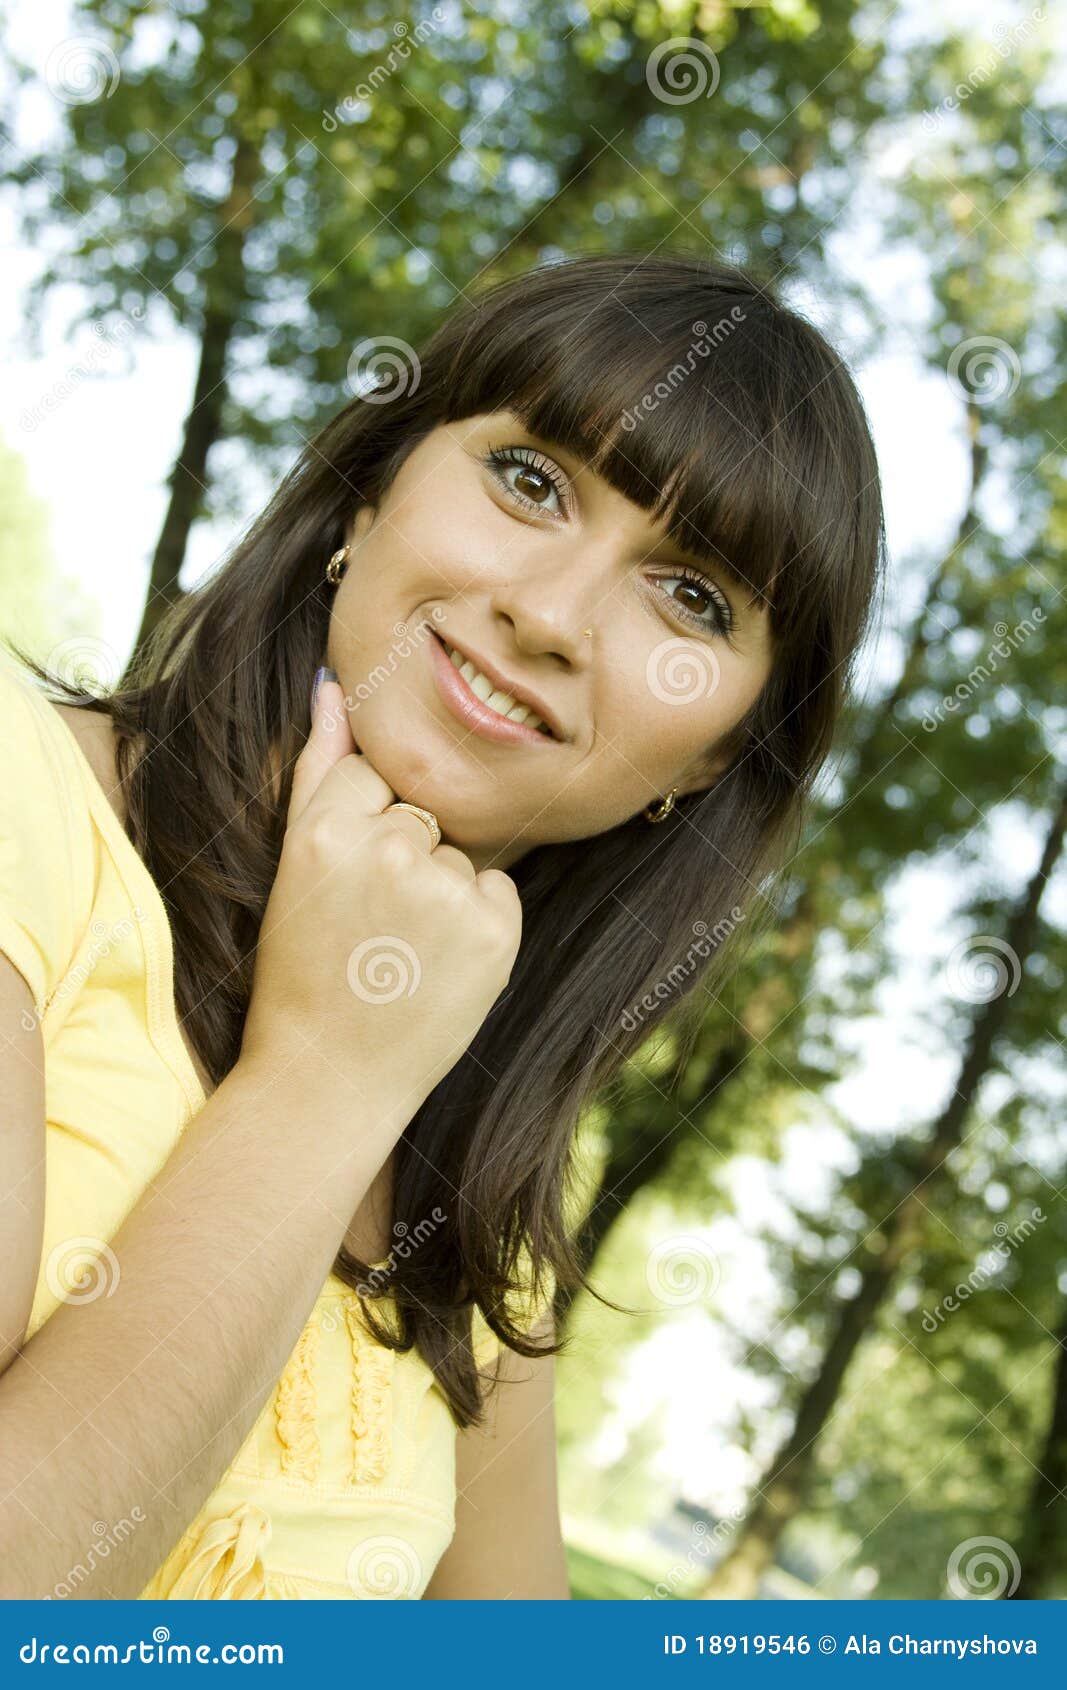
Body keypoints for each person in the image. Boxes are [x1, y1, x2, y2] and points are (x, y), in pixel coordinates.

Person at [0, 251, 885, 1599]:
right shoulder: (24, 807)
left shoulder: (485, 1183)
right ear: (374, 491)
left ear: (708, 762)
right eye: (531, 480)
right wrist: (324, 1077)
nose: (550, 613)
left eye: (689, 596)